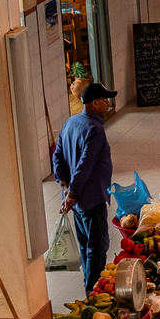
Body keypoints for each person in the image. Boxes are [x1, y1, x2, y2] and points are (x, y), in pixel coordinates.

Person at [52, 82, 116, 294]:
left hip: (78, 201)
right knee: (97, 248)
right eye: (105, 100)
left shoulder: (71, 122)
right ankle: (93, 293)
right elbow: (85, 166)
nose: (108, 104)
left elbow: (57, 156)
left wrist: (65, 187)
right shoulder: (94, 130)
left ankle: (88, 287)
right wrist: (72, 193)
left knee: (85, 245)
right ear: (95, 103)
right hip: (91, 198)